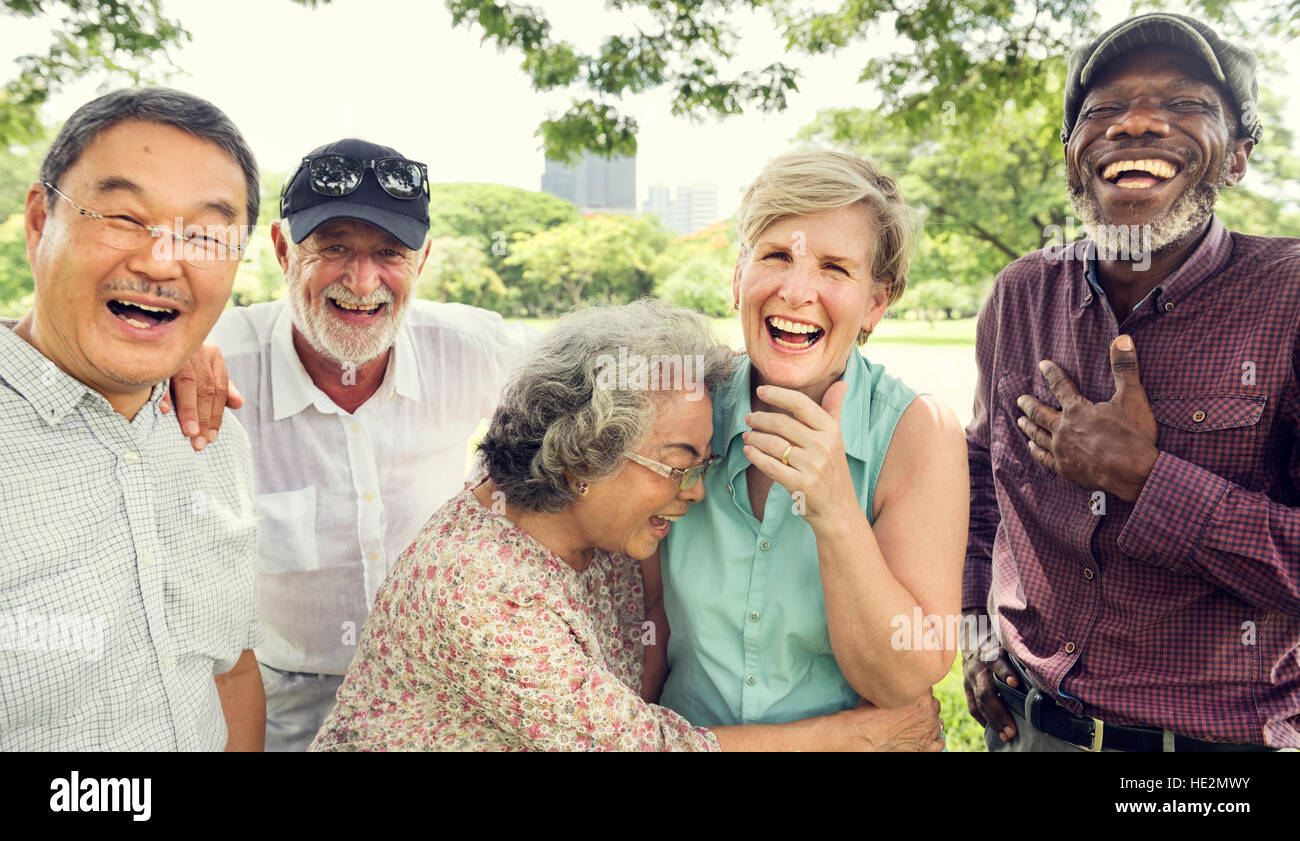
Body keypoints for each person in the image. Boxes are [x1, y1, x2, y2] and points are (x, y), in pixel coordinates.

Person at [310, 299, 944, 750]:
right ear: (585, 457)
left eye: (705, 463)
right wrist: (852, 737)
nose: (695, 494)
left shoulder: (593, 534)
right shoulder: (481, 589)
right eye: (678, 466)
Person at [962, 12, 1299, 751]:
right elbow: (983, 484)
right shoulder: (1019, 294)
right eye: (1104, 108)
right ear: (1073, 152)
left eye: (1184, 104)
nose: (1138, 122)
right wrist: (975, 628)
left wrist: (1147, 481)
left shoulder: (1291, 297)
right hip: (1029, 731)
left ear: (1238, 156)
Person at [164, 138, 536, 752]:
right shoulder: (214, 361)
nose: (362, 281)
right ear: (284, 250)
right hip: (282, 693)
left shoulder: (474, 346)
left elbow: (599, 396)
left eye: (388, 252)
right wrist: (170, 354)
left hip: (440, 684)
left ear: (421, 260)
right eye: (333, 247)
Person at [655, 150, 968, 729]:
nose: (798, 292)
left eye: (835, 268)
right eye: (776, 256)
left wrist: (835, 511)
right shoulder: (679, 405)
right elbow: (642, 624)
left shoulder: (920, 434)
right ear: (738, 277)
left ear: (877, 302)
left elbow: (902, 680)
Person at [0, 87, 263, 750]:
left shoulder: (214, 432)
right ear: (39, 221)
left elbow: (229, 666)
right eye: (122, 216)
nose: (159, 260)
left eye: (205, 234)